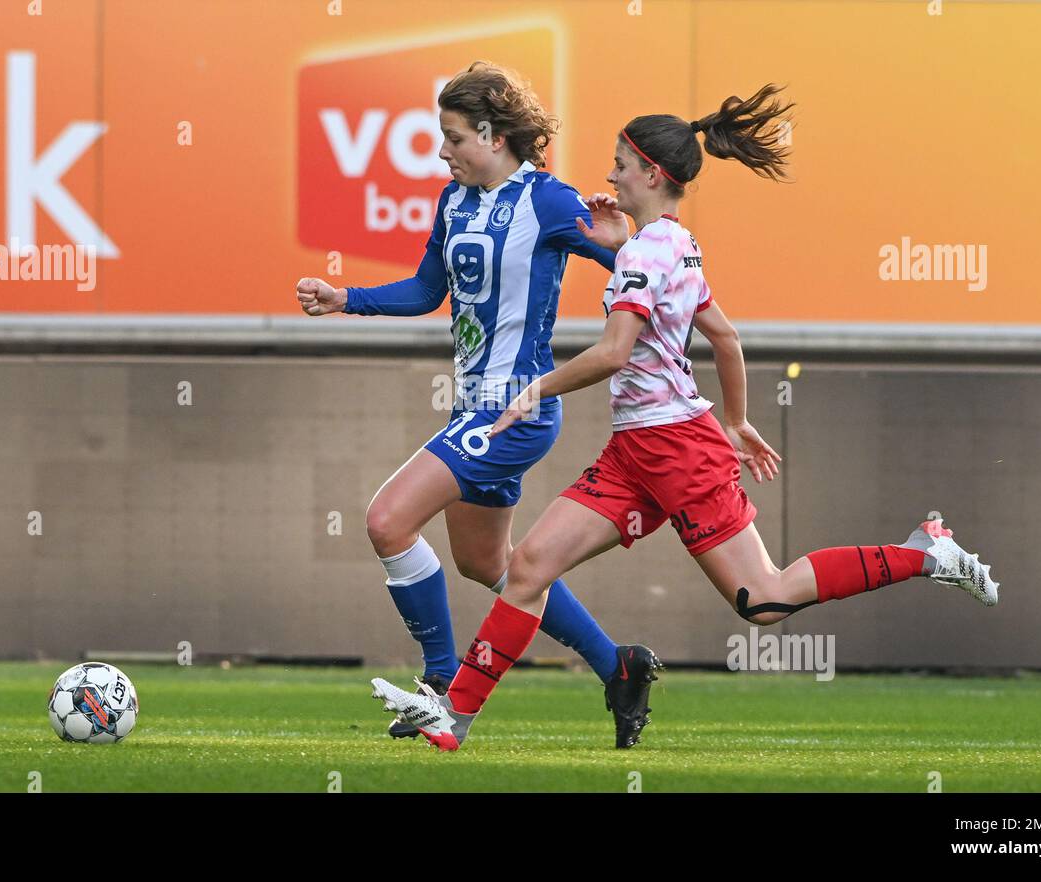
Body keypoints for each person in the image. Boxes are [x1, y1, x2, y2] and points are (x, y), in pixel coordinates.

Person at [372, 84, 999, 751]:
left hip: (676, 448)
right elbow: (724, 336)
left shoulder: (648, 253)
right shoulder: (670, 243)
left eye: (620, 163)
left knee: (763, 600)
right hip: (635, 451)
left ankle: (922, 554)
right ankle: (455, 717)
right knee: (528, 568)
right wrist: (736, 419)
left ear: (650, 173)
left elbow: (614, 353)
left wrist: (534, 392)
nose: (610, 174)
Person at [297, 61, 661, 748]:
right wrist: (348, 299)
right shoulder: (453, 201)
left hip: (515, 410)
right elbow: (426, 290)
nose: (443, 151)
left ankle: (439, 683)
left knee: (386, 522)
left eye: (455, 137)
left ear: (494, 136)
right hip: (472, 409)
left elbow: (644, 271)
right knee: (489, 566)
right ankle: (619, 667)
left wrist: (624, 244)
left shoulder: (548, 201)